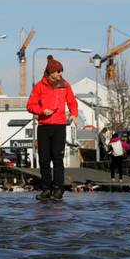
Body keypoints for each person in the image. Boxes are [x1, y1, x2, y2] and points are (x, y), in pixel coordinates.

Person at [26, 55, 78, 201]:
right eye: (58, 71)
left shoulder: (65, 85)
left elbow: (72, 102)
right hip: (43, 127)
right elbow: (30, 105)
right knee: (43, 159)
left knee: (57, 158)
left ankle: (58, 189)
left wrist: (74, 114)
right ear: (50, 73)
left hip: (59, 126)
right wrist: (42, 111)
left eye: (62, 71)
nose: (61, 73)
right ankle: (46, 189)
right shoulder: (39, 86)